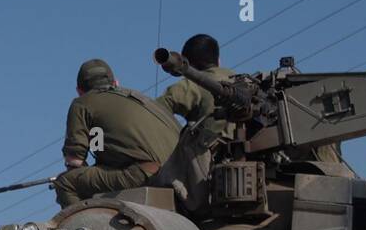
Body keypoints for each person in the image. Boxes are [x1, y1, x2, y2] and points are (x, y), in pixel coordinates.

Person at [55, 59, 180, 207]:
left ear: (79, 91)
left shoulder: (82, 103)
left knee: (65, 182)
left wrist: (79, 173)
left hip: (146, 173)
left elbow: (74, 161)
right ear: (116, 83)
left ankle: (85, 228)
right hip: (179, 174)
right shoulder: (141, 99)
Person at [158, 34, 235, 125]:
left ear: (186, 64)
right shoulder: (243, 80)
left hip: (208, 139)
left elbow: (153, 109)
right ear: (218, 60)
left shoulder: (190, 85)